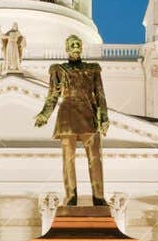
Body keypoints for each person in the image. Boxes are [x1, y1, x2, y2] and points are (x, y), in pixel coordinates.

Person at [34, 34, 109, 205]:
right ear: (67, 48)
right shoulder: (58, 70)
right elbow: (53, 94)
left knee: (95, 157)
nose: (75, 46)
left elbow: (100, 95)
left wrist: (104, 118)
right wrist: (45, 114)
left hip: (89, 115)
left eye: (78, 44)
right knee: (68, 159)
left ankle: (98, 196)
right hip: (67, 116)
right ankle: (70, 196)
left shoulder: (93, 69)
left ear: (81, 47)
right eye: (72, 44)